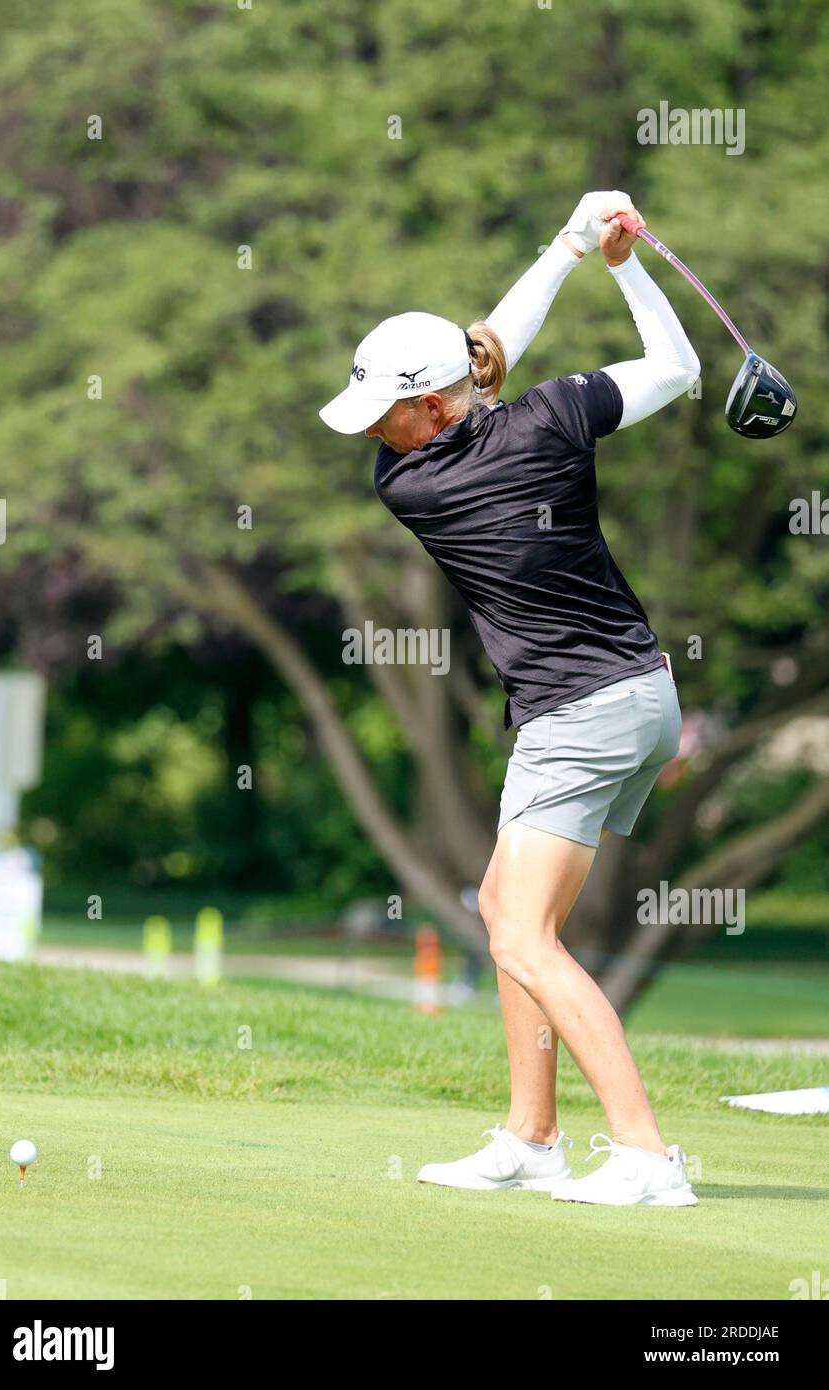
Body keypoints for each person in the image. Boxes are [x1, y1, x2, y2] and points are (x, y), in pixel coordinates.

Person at [319, 192, 700, 1207]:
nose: (377, 432)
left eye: (386, 412)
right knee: (502, 911)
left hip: (576, 713)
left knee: (523, 934)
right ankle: (532, 1137)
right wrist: (606, 259)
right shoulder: (553, 419)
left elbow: (483, 351)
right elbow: (675, 370)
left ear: (429, 410)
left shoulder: (408, 485)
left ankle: (645, 1158)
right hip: (636, 694)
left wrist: (572, 248)